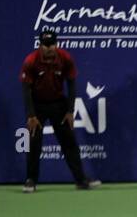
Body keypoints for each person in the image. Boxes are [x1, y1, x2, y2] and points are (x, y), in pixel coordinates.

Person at [19, 29, 99, 193]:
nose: (49, 48)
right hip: (38, 105)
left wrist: (70, 111)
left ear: (57, 44)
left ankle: (81, 180)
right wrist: (31, 115)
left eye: (51, 44)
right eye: (45, 45)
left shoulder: (65, 58)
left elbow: (71, 85)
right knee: (34, 144)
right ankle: (31, 181)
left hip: (58, 104)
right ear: (40, 45)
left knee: (69, 143)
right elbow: (26, 89)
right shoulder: (31, 61)